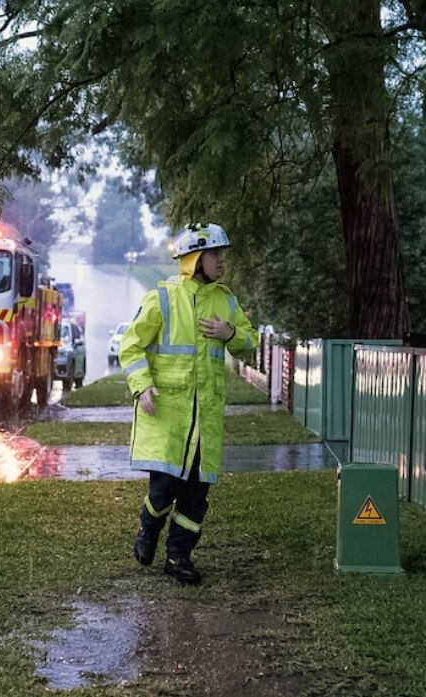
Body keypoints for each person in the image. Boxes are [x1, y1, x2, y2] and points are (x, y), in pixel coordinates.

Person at [119, 222, 257, 585]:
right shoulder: (162, 298)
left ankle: (179, 557)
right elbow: (130, 347)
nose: (220, 261)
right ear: (195, 259)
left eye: (221, 254)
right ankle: (149, 529)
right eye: (214, 254)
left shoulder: (226, 300)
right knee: (163, 491)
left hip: (206, 420)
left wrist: (231, 334)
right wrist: (142, 385)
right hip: (168, 418)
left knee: (196, 497)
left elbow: (250, 343)